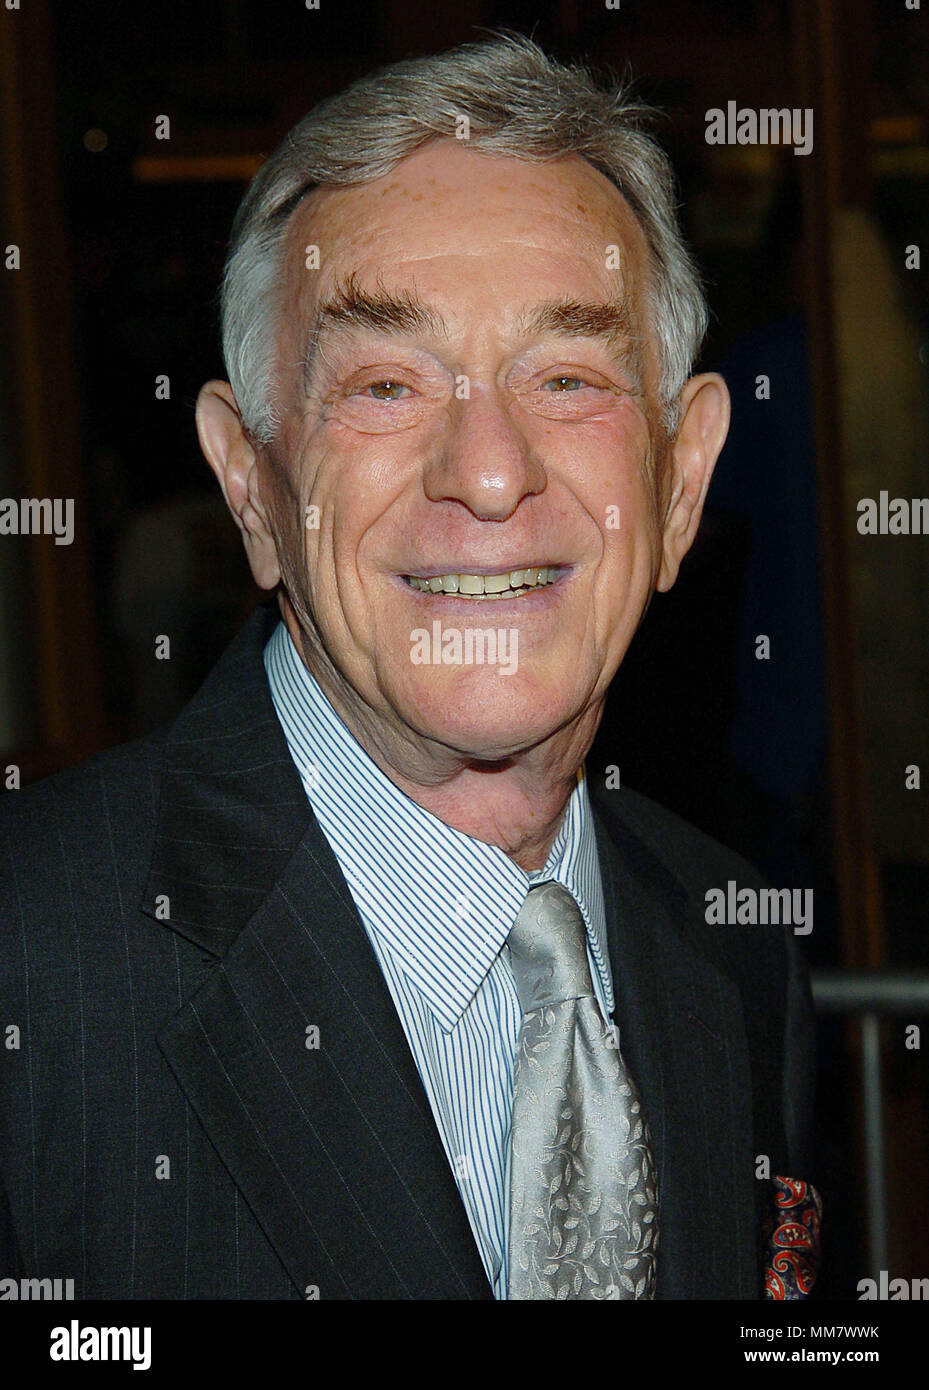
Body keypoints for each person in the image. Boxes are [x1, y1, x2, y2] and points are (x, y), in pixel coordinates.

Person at [0, 33, 818, 1300]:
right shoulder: (34, 962)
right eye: (384, 383)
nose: (488, 471)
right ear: (250, 485)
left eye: (567, 375)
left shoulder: (733, 949)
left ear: (681, 481)